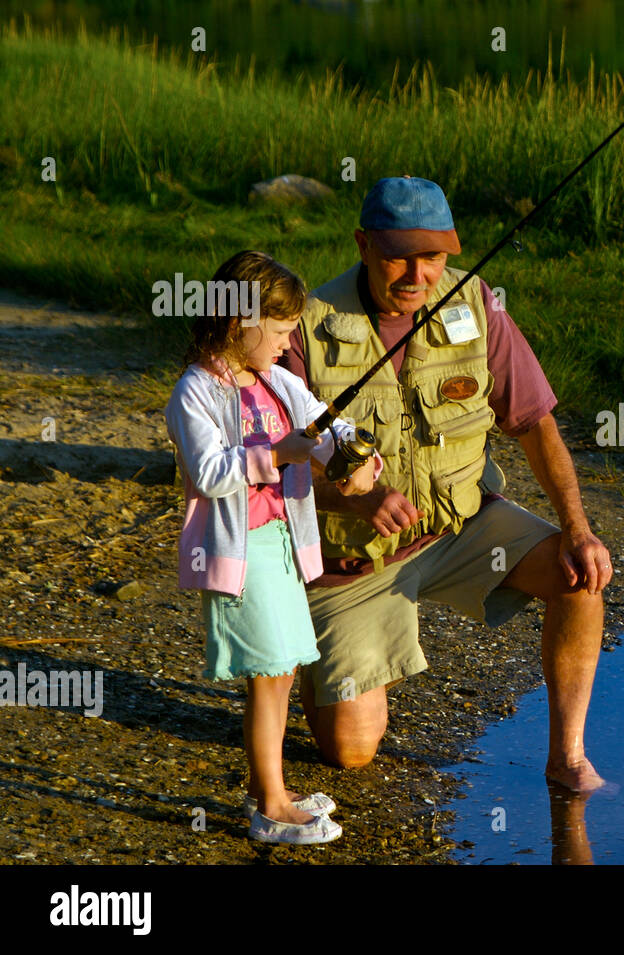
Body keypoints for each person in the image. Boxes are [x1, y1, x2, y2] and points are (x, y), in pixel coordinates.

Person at [282, 176, 610, 791]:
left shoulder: (479, 306)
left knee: (581, 574)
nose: (416, 274)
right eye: (398, 255)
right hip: (353, 560)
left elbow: (535, 424)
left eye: (432, 257)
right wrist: (355, 494)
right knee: (349, 753)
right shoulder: (306, 327)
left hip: (463, 526)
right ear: (362, 244)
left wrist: (578, 529)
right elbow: (276, 466)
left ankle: (567, 758)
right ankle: (323, 670)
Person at [166, 250, 379, 844]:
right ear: (241, 324)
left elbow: (328, 427)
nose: (289, 345)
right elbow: (208, 472)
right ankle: (269, 806)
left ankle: (275, 785)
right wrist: (277, 455)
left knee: (283, 671)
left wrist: (359, 457)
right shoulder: (195, 392)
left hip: (284, 541)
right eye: (281, 331)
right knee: (267, 673)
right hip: (242, 551)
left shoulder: (279, 380)